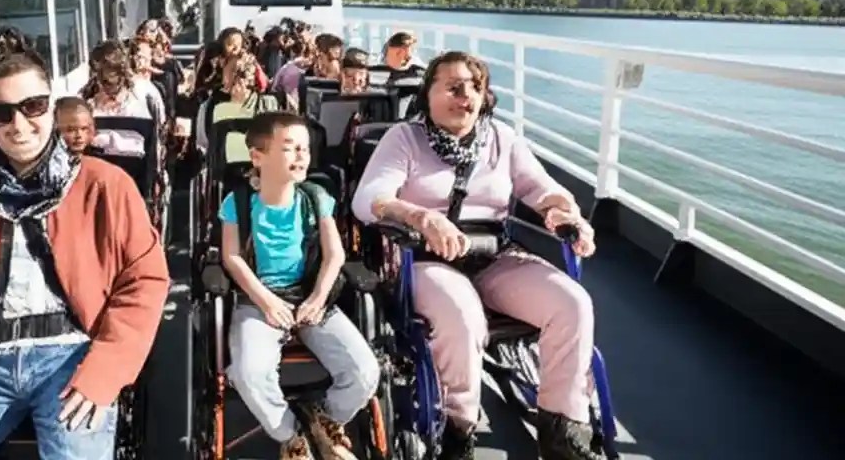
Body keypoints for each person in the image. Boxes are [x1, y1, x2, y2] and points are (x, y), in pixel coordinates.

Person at [0, 53, 170, 460]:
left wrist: (106, 369)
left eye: (32, 107)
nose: (19, 126)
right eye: (1, 113)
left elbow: (144, 281)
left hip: (75, 355)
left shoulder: (106, 186)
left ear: (51, 105)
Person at [350, 50, 599, 460]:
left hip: (492, 255)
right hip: (426, 259)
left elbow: (541, 188)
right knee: (463, 317)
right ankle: (458, 431)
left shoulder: (502, 139)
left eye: (474, 86)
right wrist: (421, 217)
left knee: (572, 303)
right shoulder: (404, 139)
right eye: (452, 86)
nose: (464, 94)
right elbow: (369, 199)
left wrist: (564, 212)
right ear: (427, 93)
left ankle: (563, 433)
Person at [222, 112, 380, 460]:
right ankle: (291, 436)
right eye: (290, 148)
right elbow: (232, 258)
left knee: (366, 371)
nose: (301, 156)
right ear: (257, 157)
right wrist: (265, 302)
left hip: (311, 296)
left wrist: (318, 297)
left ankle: (323, 418)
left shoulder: (315, 197)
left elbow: (334, 255)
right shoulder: (238, 202)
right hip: (258, 301)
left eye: (305, 149)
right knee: (250, 373)